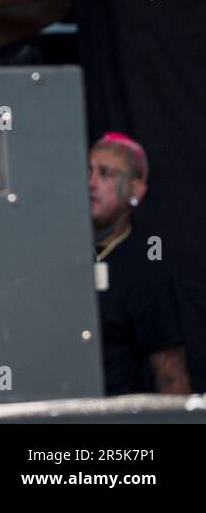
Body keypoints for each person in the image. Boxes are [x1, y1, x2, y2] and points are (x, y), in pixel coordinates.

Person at [89, 132, 191, 395]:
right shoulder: (56, 250)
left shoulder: (146, 269)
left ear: (135, 191)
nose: (91, 182)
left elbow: (169, 374)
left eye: (106, 173)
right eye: (87, 170)